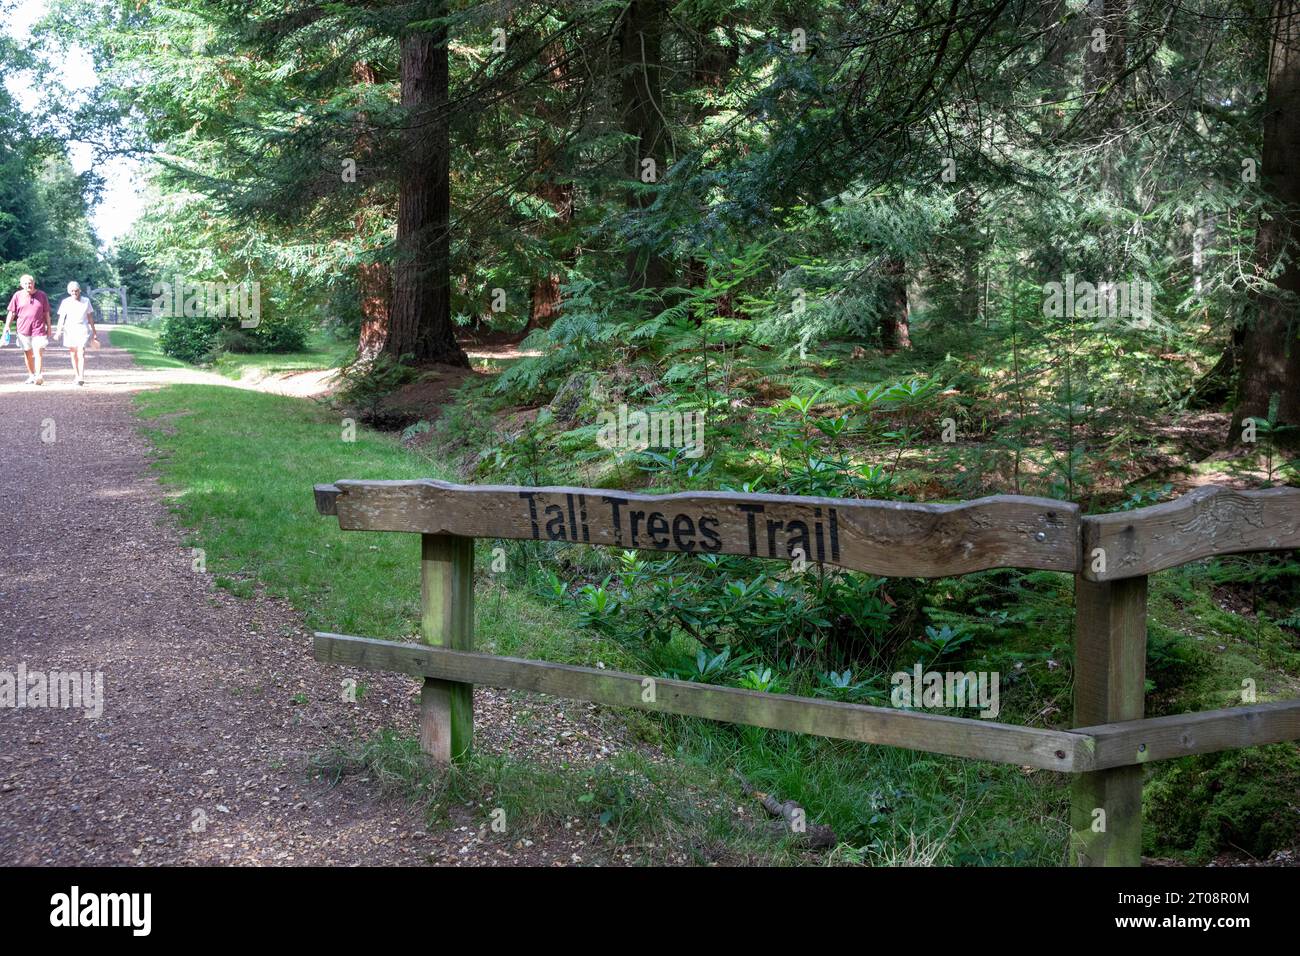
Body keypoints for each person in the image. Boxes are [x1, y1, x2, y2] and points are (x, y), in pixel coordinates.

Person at [2, 274, 52, 385]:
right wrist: (7, 327)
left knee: (38, 351)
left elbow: (46, 313)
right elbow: (12, 312)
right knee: (27, 353)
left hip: (38, 329)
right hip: (23, 329)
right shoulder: (17, 295)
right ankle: (31, 375)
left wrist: (49, 327)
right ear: (21, 285)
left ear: (34, 283)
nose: (28, 285)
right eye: (25, 283)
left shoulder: (42, 295)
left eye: (30, 283)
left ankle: (39, 376)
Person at [55, 281, 96, 386]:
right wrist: (58, 331)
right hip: (70, 329)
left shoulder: (86, 301)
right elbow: (61, 318)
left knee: (81, 351)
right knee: (73, 353)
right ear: (69, 291)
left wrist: (94, 331)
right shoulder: (65, 302)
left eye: (76, 290)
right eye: (72, 291)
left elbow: (90, 316)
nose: (74, 293)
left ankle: (81, 376)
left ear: (79, 290)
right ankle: (76, 375)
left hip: (82, 327)